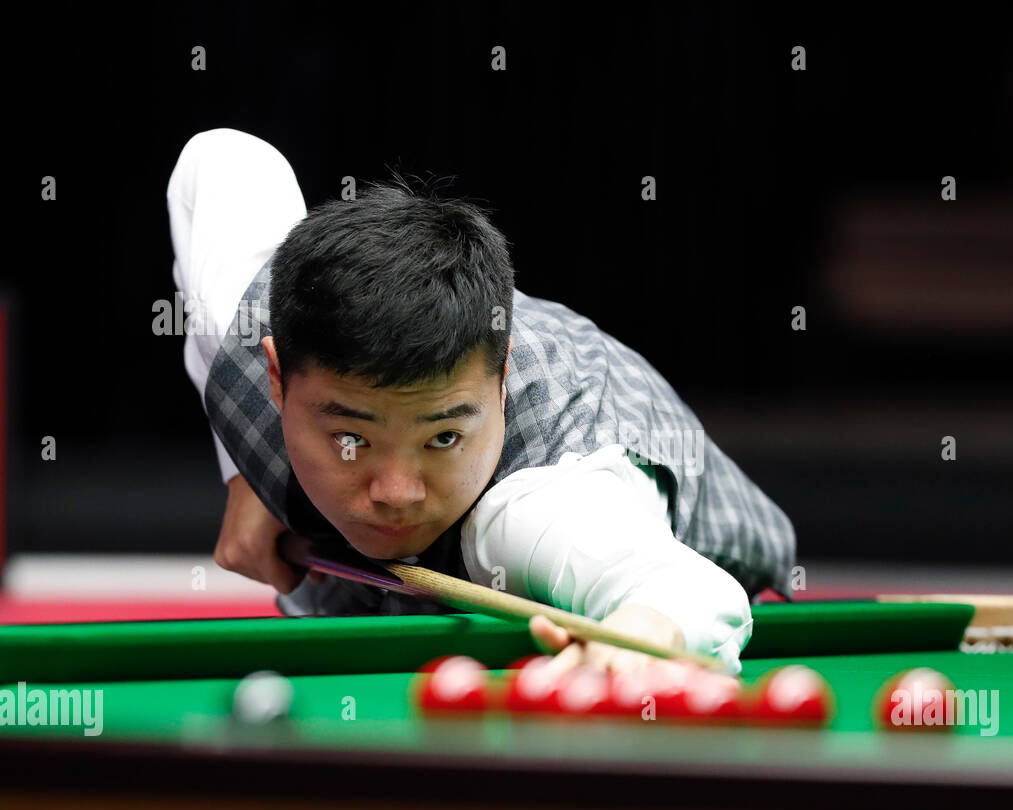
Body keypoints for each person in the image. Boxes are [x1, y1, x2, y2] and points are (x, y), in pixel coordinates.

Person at [168, 128, 795, 674]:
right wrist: (244, 477)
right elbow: (220, 158)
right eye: (350, 439)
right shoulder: (252, 326)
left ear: (499, 384)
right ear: (276, 377)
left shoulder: (542, 505)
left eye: (442, 438)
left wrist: (637, 644)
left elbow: (685, 590)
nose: (396, 493)